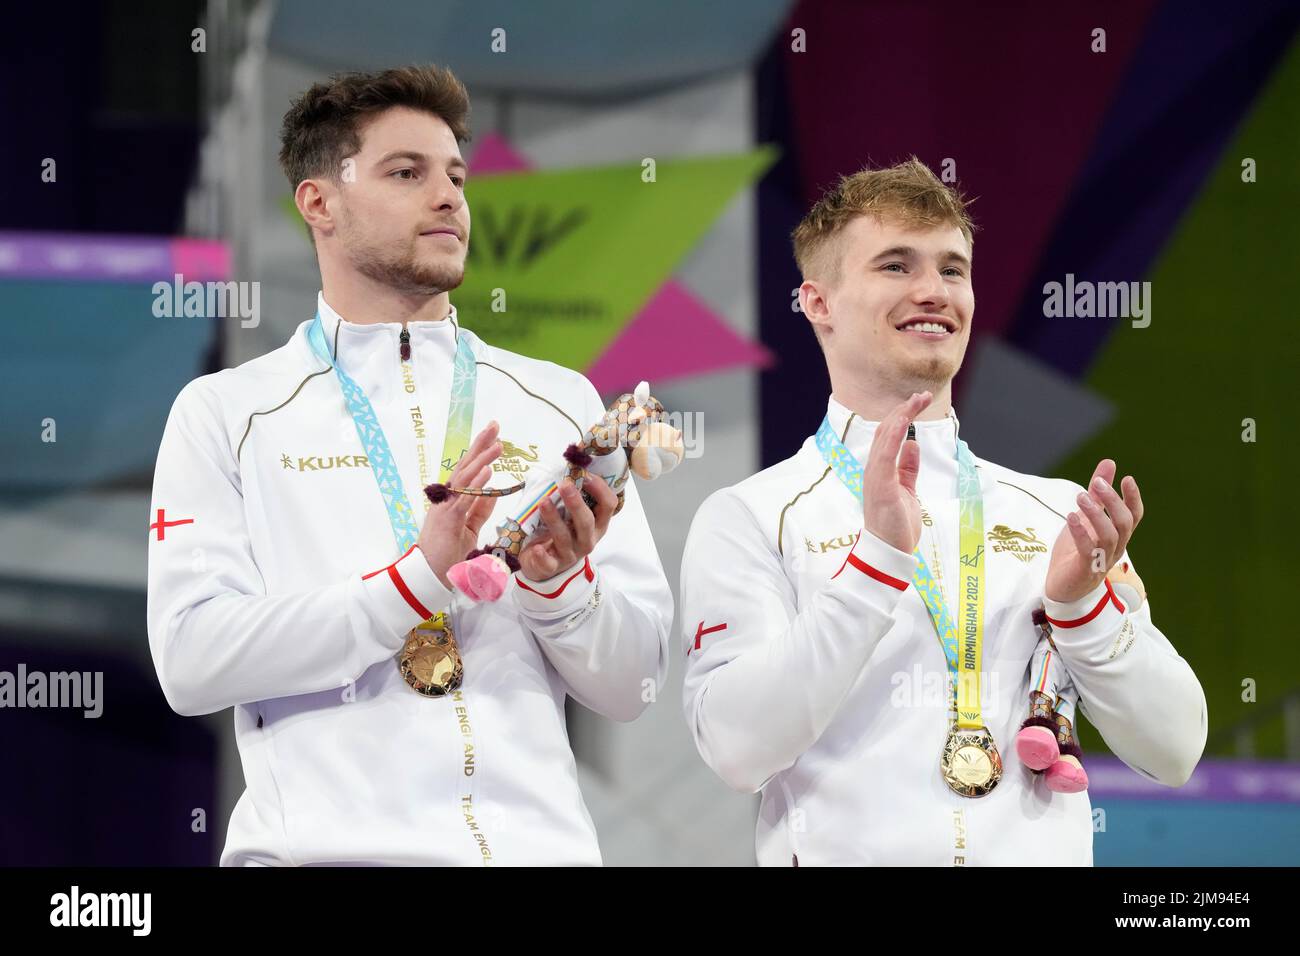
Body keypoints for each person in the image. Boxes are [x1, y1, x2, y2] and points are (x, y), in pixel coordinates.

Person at [146, 65, 672, 866]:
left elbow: (634, 687)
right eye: (407, 172)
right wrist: (413, 581)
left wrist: (560, 588)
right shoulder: (228, 414)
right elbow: (191, 660)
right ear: (319, 202)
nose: (449, 197)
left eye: (457, 176)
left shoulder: (559, 402)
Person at [678, 158, 1205, 866]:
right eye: (896, 266)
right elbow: (736, 751)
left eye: (952, 270)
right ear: (818, 302)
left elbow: (1175, 750)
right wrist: (874, 568)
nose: (933, 291)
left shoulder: (1058, 517)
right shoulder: (751, 516)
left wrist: (1084, 612)